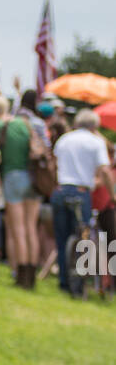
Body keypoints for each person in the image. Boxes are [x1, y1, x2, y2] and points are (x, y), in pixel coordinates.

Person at [52, 109, 112, 293]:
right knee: (82, 240)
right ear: (94, 126)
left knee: (62, 239)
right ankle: (78, 286)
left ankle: (63, 282)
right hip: (81, 191)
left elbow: (55, 164)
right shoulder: (96, 142)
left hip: (61, 189)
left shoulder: (65, 139)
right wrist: (113, 193)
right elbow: (105, 170)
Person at [0, 91, 44, 288]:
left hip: (12, 177)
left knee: (18, 229)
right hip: (32, 178)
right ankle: (32, 276)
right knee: (31, 229)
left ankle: (21, 277)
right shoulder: (26, 124)